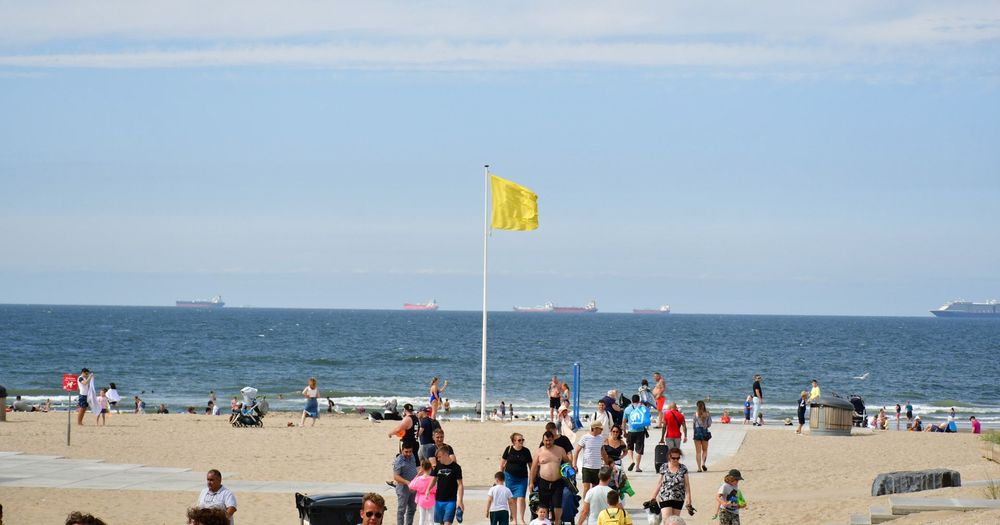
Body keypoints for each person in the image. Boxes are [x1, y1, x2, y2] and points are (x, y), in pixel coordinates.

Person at [528, 430, 572, 524]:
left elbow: (568, 461)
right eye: (546, 440)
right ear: (543, 440)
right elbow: (533, 468)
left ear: (553, 440)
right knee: (544, 505)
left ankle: (557, 522)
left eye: (550, 440)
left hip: (557, 481)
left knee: (557, 504)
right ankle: (546, 522)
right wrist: (531, 483)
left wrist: (568, 469)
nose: (548, 442)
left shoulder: (560, 450)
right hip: (543, 481)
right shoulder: (539, 451)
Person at [650, 448, 692, 520]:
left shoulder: (683, 468)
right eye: (673, 458)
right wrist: (653, 496)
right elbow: (659, 483)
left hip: (679, 498)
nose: (676, 460)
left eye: (678, 458)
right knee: (666, 518)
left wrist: (689, 498)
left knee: (675, 520)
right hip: (665, 496)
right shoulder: (664, 467)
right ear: (669, 457)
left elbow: (687, 485)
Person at [427, 445, 464, 525]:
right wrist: (428, 489)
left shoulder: (456, 467)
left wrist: (460, 500)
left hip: (451, 500)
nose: (438, 459)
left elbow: (460, 484)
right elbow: (434, 479)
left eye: (439, 457)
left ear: (446, 455)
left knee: (447, 523)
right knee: (441, 523)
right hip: (439, 500)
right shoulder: (438, 466)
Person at [500, 433, 532, 525]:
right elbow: (502, 464)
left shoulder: (526, 451)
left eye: (522, 440)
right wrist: (501, 477)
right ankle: (514, 519)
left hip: (522, 478)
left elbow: (531, 466)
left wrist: (532, 478)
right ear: (514, 441)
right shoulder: (509, 449)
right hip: (509, 477)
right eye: (519, 440)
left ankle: (522, 519)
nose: (521, 441)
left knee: (521, 498)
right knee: (512, 499)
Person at [575, 420, 607, 497]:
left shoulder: (601, 438)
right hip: (587, 467)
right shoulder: (585, 437)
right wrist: (574, 465)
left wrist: (606, 464)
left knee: (595, 489)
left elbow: (603, 452)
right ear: (594, 428)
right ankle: (585, 503)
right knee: (586, 488)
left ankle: (593, 503)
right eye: (600, 429)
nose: (602, 430)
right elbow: (576, 451)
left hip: (597, 467)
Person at [622, 394, 650, 472]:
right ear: (639, 400)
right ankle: (637, 467)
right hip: (640, 431)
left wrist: (624, 431)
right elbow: (647, 417)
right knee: (639, 449)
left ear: (632, 400)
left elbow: (624, 421)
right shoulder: (642, 408)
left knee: (630, 447)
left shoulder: (627, 409)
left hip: (631, 431)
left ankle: (631, 461)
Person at [393, 442, 419, 525]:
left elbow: (415, 468)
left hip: (413, 488)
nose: (408, 454)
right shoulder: (398, 461)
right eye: (406, 452)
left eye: (410, 451)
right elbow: (396, 476)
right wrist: (407, 482)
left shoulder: (413, 456)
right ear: (402, 450)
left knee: (412, 509)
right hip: (403, 489)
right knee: (401, 510)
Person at [408, 460, 437, 525]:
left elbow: (411, 485)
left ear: (422, 468)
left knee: (422, 518)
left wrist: (417, 475)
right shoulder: (432, 479)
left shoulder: (418, 479)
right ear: (430, 468)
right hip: (431, 499)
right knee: (431, 518)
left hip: (421, 499)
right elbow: (436, 490)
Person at [691, 400, 712, 472]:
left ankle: (699, 468)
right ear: (704, 406)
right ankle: (703, 463)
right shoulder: (707, 414)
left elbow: (693, 425)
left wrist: (694, 432)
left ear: (697, 406)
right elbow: (709, 424)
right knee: (705, 450)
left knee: (698, 452)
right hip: (704, 432)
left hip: (697, 432)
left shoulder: (695, 414)